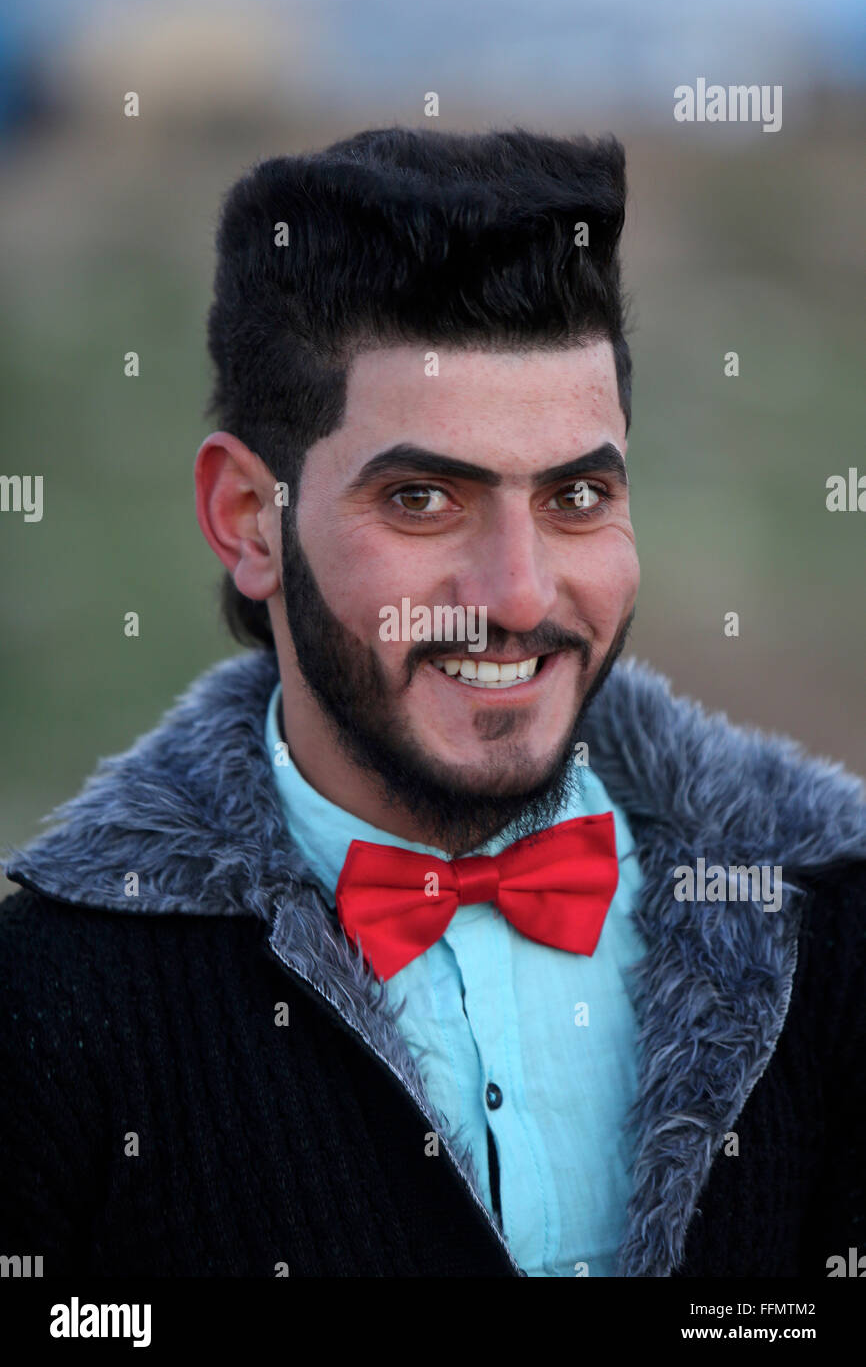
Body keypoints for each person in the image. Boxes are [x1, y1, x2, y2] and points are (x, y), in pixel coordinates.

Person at [2, 126, 864, 1279]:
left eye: (574, 495)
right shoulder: (49, 1002)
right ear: (249, 520)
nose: (516, 595)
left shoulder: (834, 926)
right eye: (420, 498)